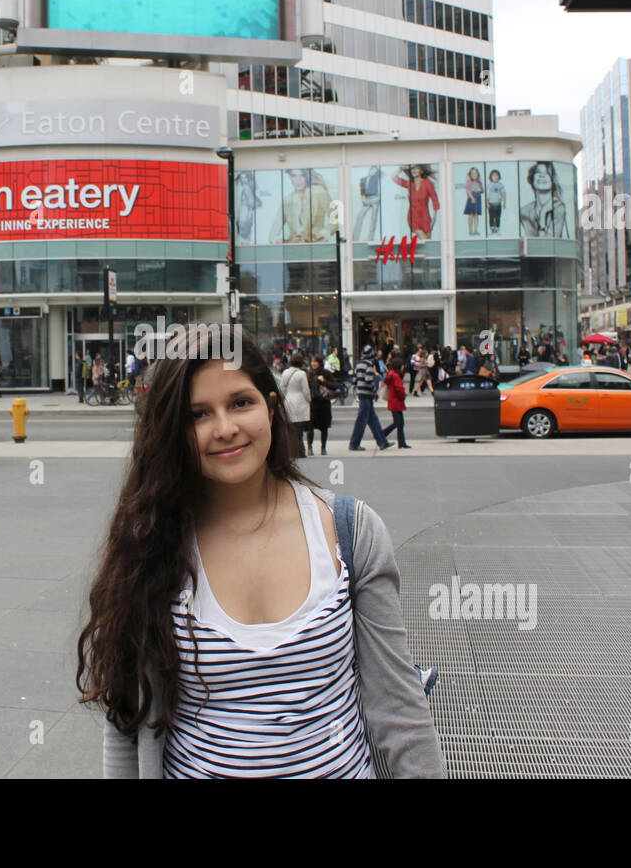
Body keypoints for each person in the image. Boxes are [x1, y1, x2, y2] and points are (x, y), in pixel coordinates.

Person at [76, 329, 445, 778]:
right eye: (198, 415)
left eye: (240, 403)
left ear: (270, 407)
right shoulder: (153, 542)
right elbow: (126, 724)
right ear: (173, 433)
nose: (225, 428)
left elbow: (398, 707)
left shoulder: (351, 531)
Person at [349, 345, 391, 452]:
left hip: (362, 394)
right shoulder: (369, 365)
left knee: (373, 420)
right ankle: (354, 443)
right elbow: (368, 380)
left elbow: (354, 380)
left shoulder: (358, 365)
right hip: (367, 396)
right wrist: (374, 392)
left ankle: (382, 442)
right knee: (362, 421)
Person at [280, 352, 312, 458]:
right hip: (300, 401)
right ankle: (300, 450)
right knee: (299, 428)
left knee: (290, 428)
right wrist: (309, 399)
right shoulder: (302, 374)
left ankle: (291, 450)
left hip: (288, 400)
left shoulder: (285, 372)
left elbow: (282, 388)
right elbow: (305, 390)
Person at [308, 355, 336, 455]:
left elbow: (334, 385)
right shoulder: (309, 374)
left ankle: (323, 448)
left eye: (315, 361)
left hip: (324, 404)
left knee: (324, 427)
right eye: (312, 361)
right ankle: (309, 448)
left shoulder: (326, 373)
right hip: (313, 404)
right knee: (310, 427)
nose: (313, 364)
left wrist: (324, 381)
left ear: (320, 362)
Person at [384, 354, 409, 449]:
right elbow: (399, 389)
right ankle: (382, 434)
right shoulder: (396, 376)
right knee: (398, 422)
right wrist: (403, 396)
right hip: (397, 401)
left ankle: (402, 442)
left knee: (400, 422)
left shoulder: (392, 375)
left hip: (393, 401)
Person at [463, 167, 483, 236]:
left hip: (478, 199)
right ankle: (470, 230)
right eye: (472, 173)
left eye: (475, 173)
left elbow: (482, 190)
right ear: (470, 175)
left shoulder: (479, 182)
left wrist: (479, 190)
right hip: (471, 198)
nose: (474, 175)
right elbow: (468, 190)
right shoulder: (469, 182)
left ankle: (476, 230)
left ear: (478, 174)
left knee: (476, 215)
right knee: (471, 214)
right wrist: (472, 198)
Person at [486, 168, 506, 234]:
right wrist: (487, 203)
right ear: (491, 177)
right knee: (491, 216)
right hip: (491, 204)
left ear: (499, 177)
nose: (495, 177)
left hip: (498, 204)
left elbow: (503, 194)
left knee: (497, 216)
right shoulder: (489, 185)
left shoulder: (501, 185)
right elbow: (487, 195)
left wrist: (504, 203)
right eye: (493, 176)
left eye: (497, 175)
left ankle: (497, 227)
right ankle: (492, 228)